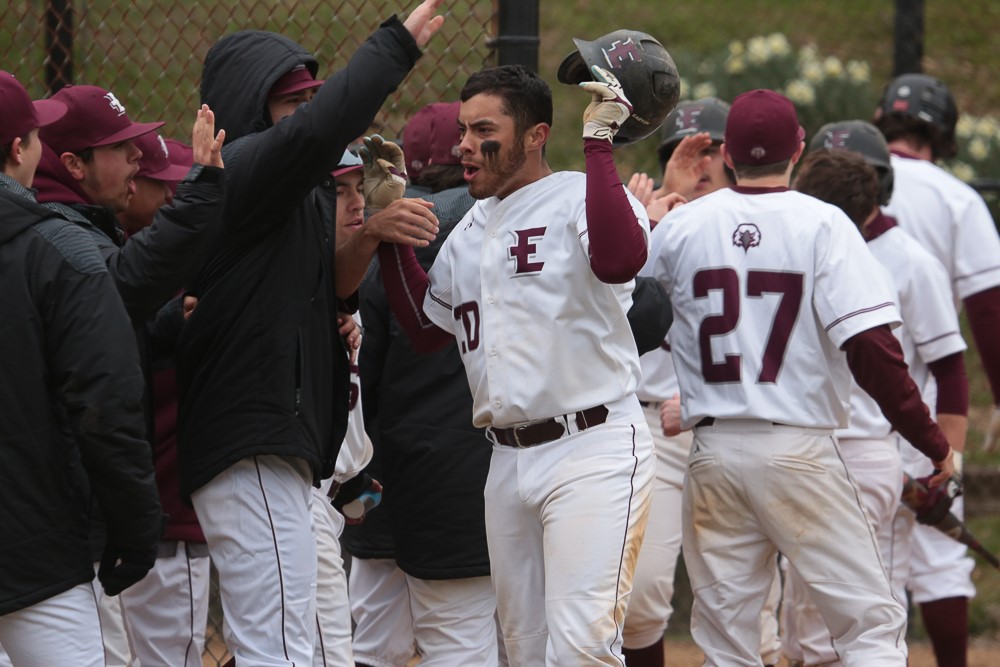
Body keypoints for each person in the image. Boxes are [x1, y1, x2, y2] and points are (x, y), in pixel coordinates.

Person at [642, 88, 956, 666]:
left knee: (728, 638)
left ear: (727, 155)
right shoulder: (825, 223)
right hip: (798, 449)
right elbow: (873, 352)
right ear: (800, 149)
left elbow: (636, 323)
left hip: (710, 450)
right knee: (869, 625)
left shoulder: (682, 228)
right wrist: (931, 441)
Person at [175, 3, 445, 664]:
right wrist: (395, 45)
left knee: (292, 642)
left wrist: (370, 236)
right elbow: (318, 134)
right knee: (284, 647)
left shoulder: (290, 199)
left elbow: (338, 288)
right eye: (289, 100)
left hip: (273, 450)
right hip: (249, 445)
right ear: (248, 105)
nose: (304, 112)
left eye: (307, 99)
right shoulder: (240, 169)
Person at [375, 62, 656, 666]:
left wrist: (599, 145)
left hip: (594, 447)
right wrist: (394, 243)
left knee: (582, 645)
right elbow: (429, 331)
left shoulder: (582, 194)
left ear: (534, 135)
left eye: (483, 130)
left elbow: (618, 259)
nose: (465, 146)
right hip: (506, 460)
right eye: (463, 131)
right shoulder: (471, 227)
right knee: (525, 651)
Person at [783, 132, 967, 666]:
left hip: (875, 451)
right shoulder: (798, 245)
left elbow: (949, 368)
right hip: (806, 449)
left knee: (871, 623)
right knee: (810, 625)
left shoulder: (911, 260)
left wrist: (945, 463)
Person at [0, 70, 162, 667]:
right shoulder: (60, 254)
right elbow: (107, 405)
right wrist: (135, 529)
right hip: (36, 552)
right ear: (21, 149)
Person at [874, 73, 1000, 667]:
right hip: (928, 406)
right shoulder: (957, 198)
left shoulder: (844, 183)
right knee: (941, 557)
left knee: (863, 565)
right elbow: (987, 312)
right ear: (944, 135)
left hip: (839, 409)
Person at [111, 136, 213, 667]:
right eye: (163, 184)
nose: (176, 196)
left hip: (161, 519)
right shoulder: (113, 263)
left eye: (183, 184)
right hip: (158, 519)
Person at [33, 84, 226, 327]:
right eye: (117, 145)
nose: (136, 153)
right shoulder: (51, 227)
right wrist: (200, 191)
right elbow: (120, 285)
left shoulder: (86, 216)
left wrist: (171, 320)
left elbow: (109, 335)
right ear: (75, 165)